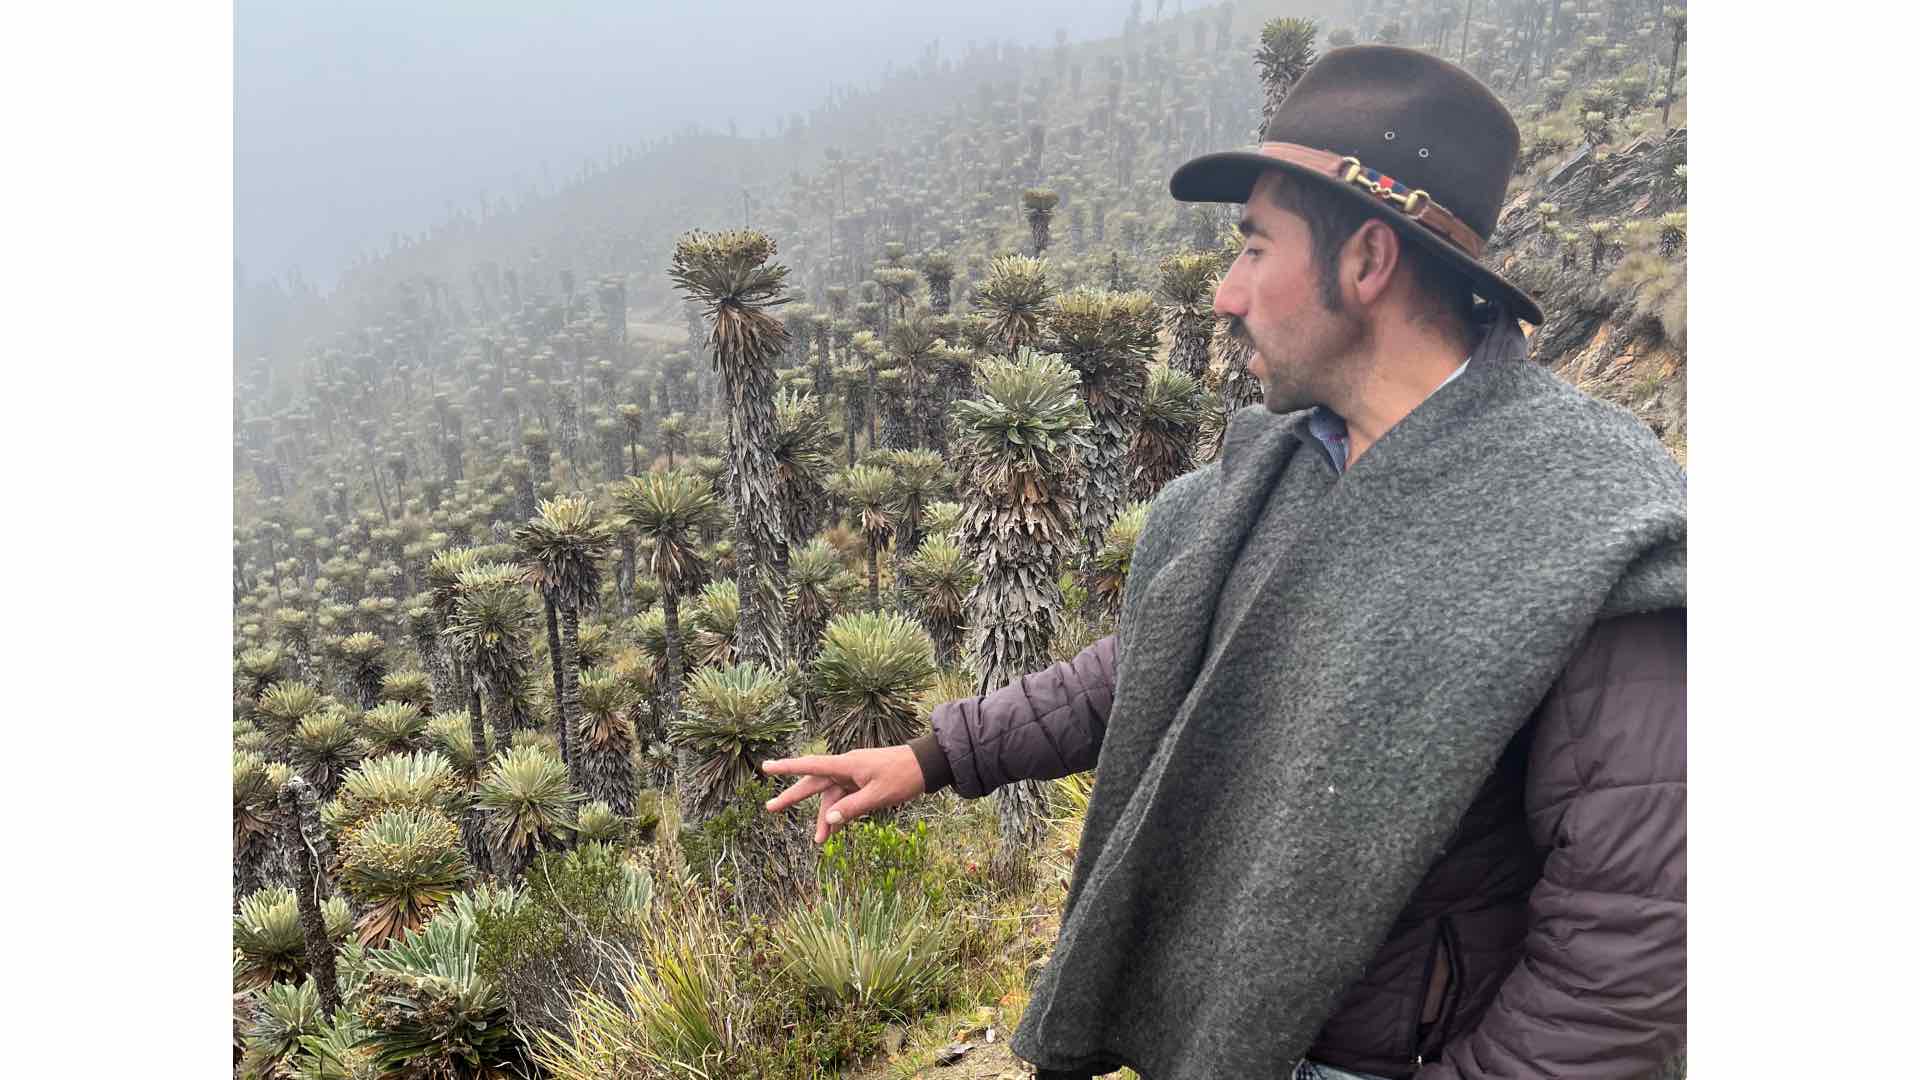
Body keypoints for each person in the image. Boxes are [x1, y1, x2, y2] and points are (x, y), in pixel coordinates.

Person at [763, 46, 1685, 1080]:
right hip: (1225, 1041)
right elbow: (1162, 657)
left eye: (1254, 248)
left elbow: (1637, 935)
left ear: (1367, 262)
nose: (1224, 293)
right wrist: (938, 756)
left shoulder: (1585, 515)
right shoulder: (1286, 469)